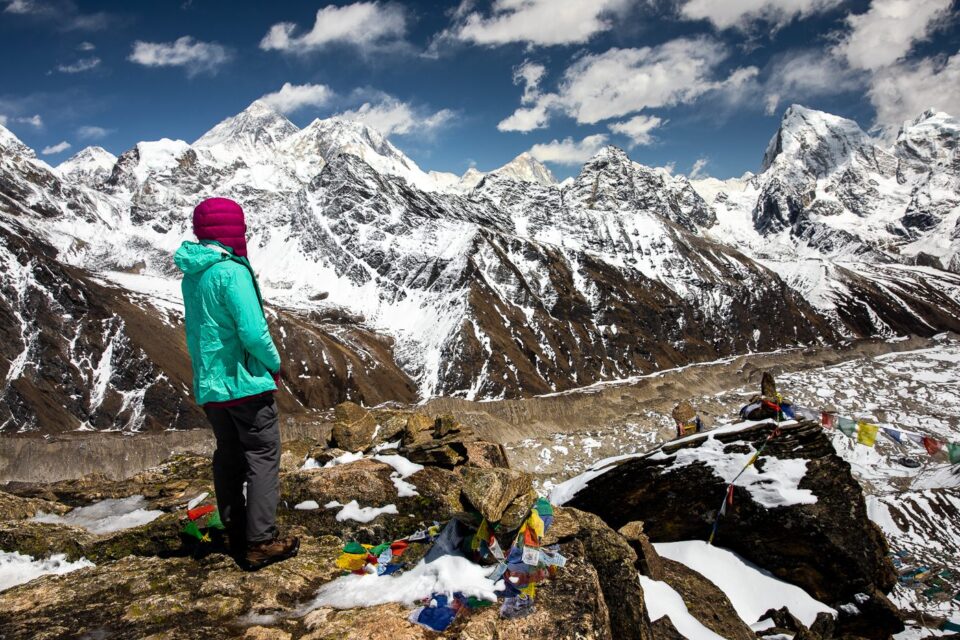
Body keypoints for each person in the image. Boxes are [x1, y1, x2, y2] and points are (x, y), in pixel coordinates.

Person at [174, 197, 299, 570]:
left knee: (228, 457)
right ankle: (260, 541)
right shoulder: (232, 271)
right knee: (261, 456)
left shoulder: (193, 275)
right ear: (232, 230)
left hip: (212, 387)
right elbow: (253, 331)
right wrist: (274, 364)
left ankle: (235, 531)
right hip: (244, 383)